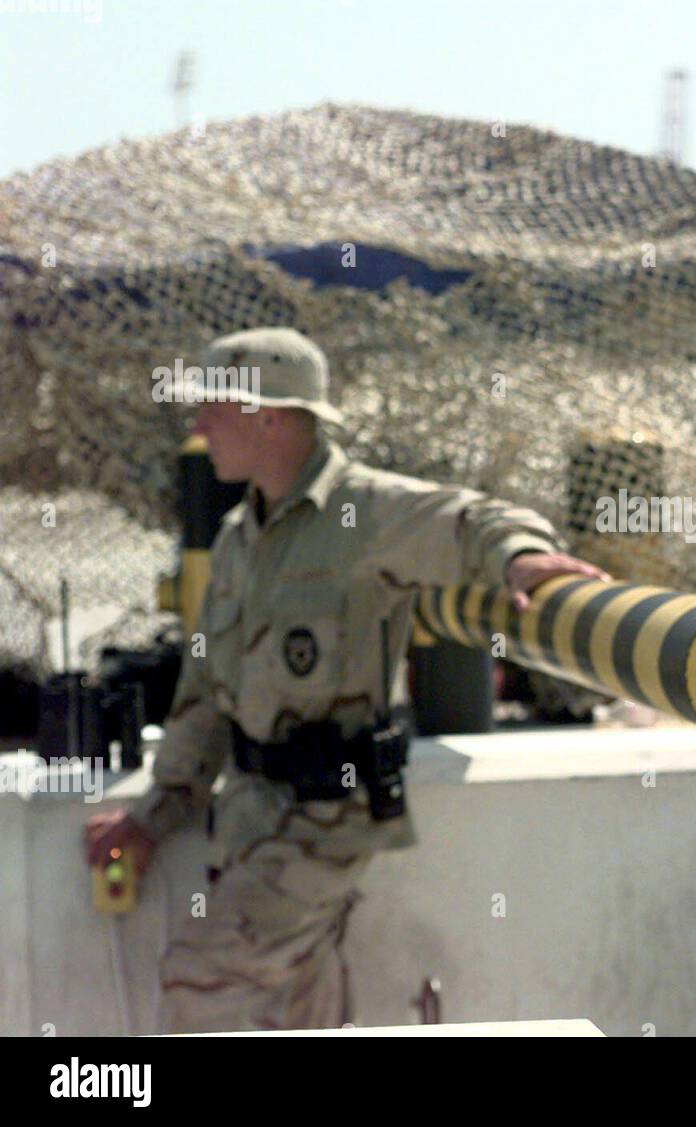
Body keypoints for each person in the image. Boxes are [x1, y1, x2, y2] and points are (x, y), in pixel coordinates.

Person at [84, 327, 608, 1033]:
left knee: (199, 980)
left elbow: (476, 519)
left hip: (324, 824)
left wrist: (521, 560)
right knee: (305, 1011)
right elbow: (206, 697)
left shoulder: (364, 513)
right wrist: (153, 817)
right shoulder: (243, 537)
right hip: (249, 822)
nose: (199, 424)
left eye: (211, 405)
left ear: (267, 414)